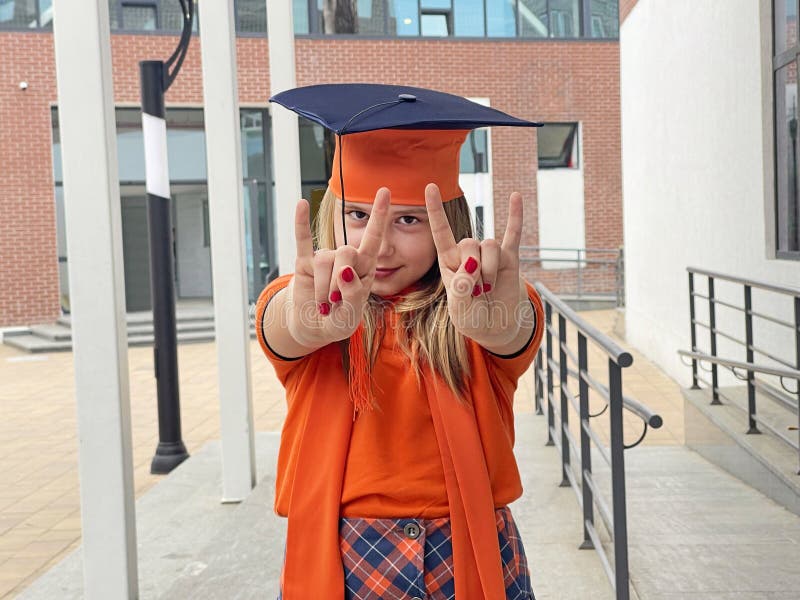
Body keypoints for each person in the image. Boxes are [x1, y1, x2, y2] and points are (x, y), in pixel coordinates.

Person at [255, 84, 545, 600]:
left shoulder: (478, 302)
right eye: (359, 215)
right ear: (334, 215)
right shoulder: (310, 298)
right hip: (344, 559)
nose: (381, 243)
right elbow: (284, 327)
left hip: (470, 552)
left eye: (408, 219)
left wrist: (495, 321)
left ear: (445, 224)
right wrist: (309, 325)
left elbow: (512, 330)